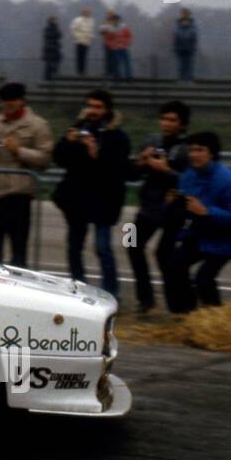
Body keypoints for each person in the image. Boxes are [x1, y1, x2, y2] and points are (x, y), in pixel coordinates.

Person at [52, 89, 131, 301]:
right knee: (74, 246)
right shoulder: (78, 129)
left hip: (104, 199)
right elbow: (58, 158)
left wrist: (95, 153)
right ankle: (79, 289)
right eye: (90, 106)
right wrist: (68, 141)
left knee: (102, 248)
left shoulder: (117, 136)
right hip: (77, 198)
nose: (93, 111)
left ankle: (110, 292)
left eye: (98, 107)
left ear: (107, 110)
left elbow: (118, 169)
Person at [162, 132, 231, 312]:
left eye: (200, 150)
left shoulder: (229, 179)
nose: (193, 154)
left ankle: (214, 320)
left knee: (204, 279)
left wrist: (207, 212)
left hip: (223, 238)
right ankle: (184, 314)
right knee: (173, 266)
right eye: (192, 150)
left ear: (212, 154)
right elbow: (182, 209)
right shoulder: (188, 175)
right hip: (197, 234)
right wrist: (170, 204)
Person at [126, 100, 192, 312]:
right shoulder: (151, 141)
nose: (166, 123)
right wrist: (141, 160)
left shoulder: (187, 148)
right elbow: (132, 174)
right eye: (164, 119)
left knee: (164, 255)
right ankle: (145, 299)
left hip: (174, 211)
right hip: (147, 207)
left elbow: (191, 182)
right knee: (132, 244)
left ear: (182, 124)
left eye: (172, 120)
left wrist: (166, 170)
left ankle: (176, 303)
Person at [0, 82, 53, 267]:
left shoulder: (38, 125)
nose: (8, 105)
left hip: (19, 196)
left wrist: (19, 151)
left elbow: (45, 158)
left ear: (22, 101)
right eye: (5, 102)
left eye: (12, 101)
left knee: (18, 248)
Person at [173, 10, 199, 82]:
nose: (184, 15)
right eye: (183, 14)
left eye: (186, 14)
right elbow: (176, 36)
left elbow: (194, 37)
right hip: (180, 48)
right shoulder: (178, 25)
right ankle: (181, 79)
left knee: (189, 64)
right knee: (181, 65)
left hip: (189, 48)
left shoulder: (192, 25)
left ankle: (189, 79)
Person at [70, 7, 95, 76]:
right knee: (79, 57)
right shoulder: (77, 20)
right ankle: (79, 71)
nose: (86, 13)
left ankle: (83, 71)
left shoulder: (91, 21)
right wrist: (78, 37)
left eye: (87, 12)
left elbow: (91, 30)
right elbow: (73, 29)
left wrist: (90, 37)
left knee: (85, 57)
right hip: (79, 41)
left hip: (87, 42)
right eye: (85, 12)